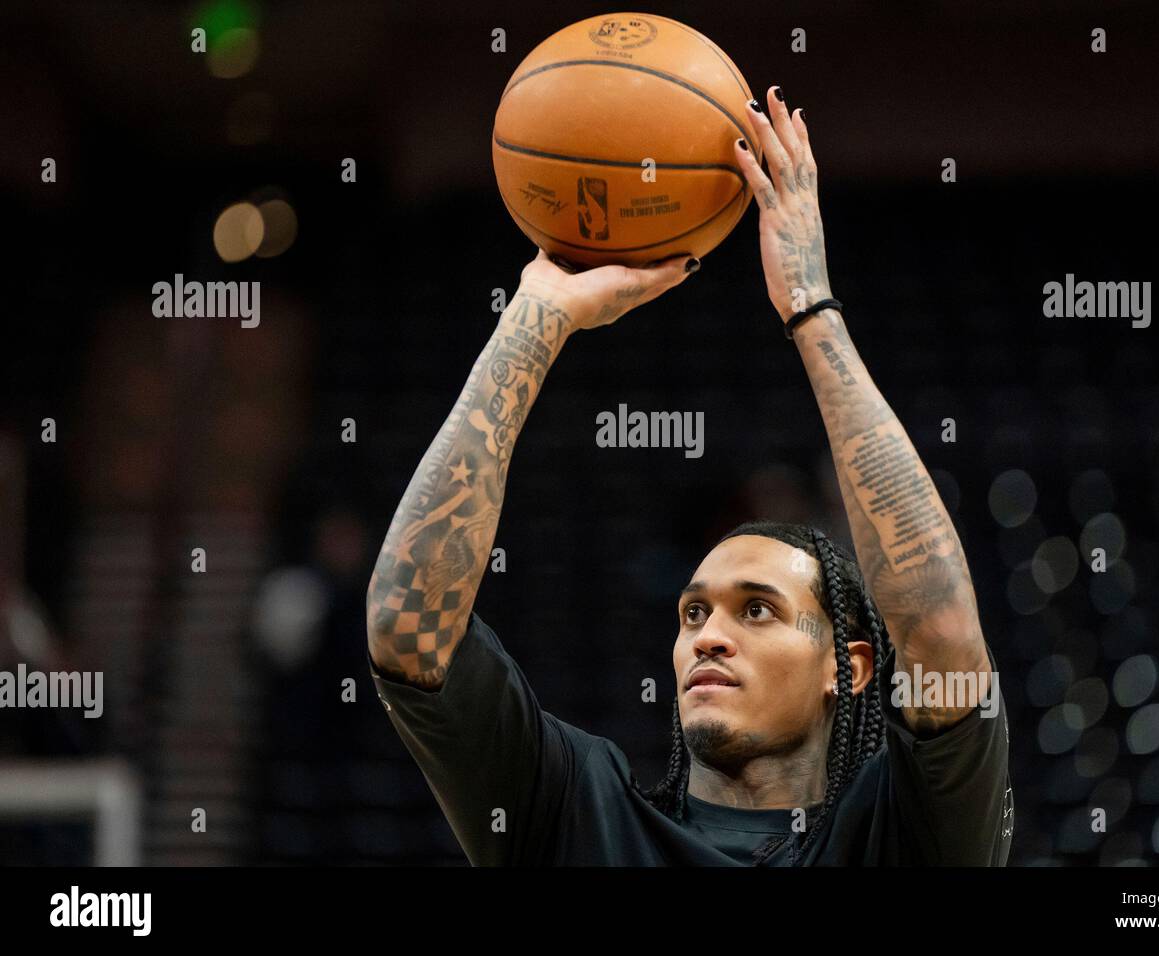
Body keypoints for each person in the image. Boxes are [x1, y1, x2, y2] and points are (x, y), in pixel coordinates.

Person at [365, 85, 1012, 865]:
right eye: (693, 614)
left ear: (851, 666)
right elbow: (406, 626)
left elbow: (941, 635)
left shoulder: (901, 833)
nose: (708, 637)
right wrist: (536, 314)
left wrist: (810, 308)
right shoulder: (574, 811)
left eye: (759, 611)